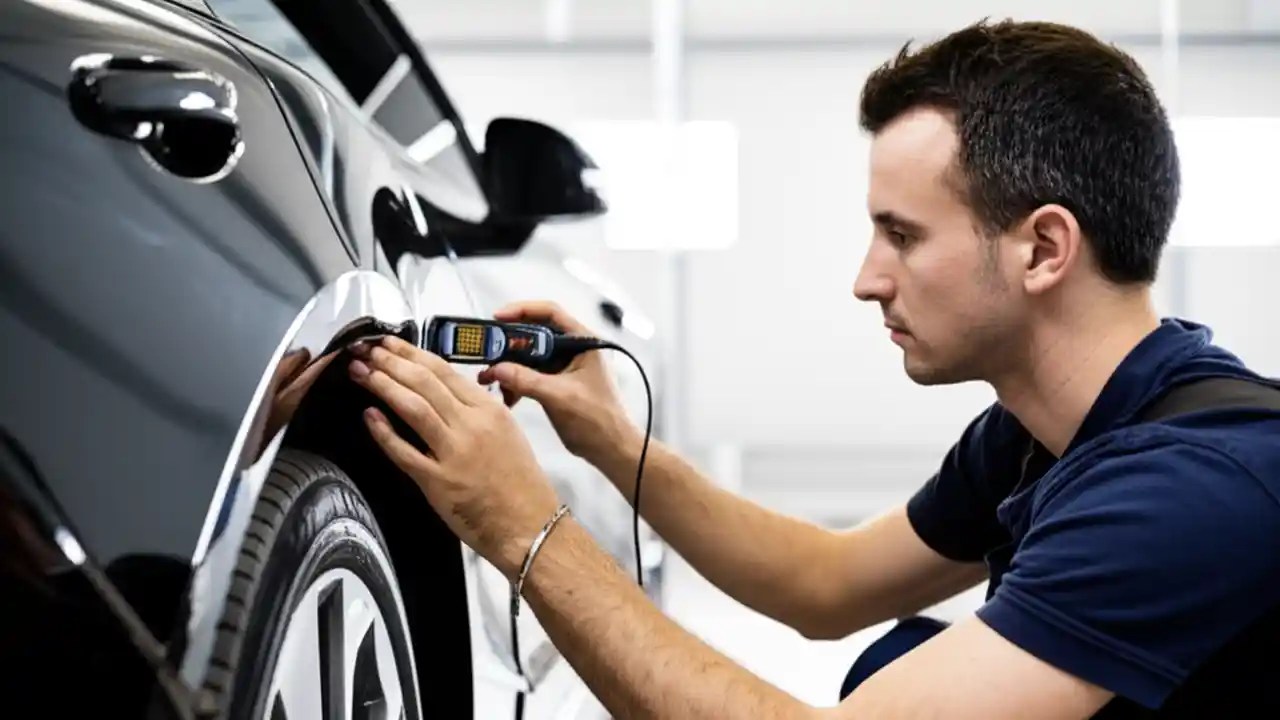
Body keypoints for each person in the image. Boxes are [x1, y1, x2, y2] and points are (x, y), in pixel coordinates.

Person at [345, 19, 1280, 719]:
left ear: (1043, 250)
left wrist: (523, 528)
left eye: (902, 237)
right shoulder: (1048, 434)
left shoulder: (1191, 490)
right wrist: (611, 445)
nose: (866, 280)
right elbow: (823, 584)